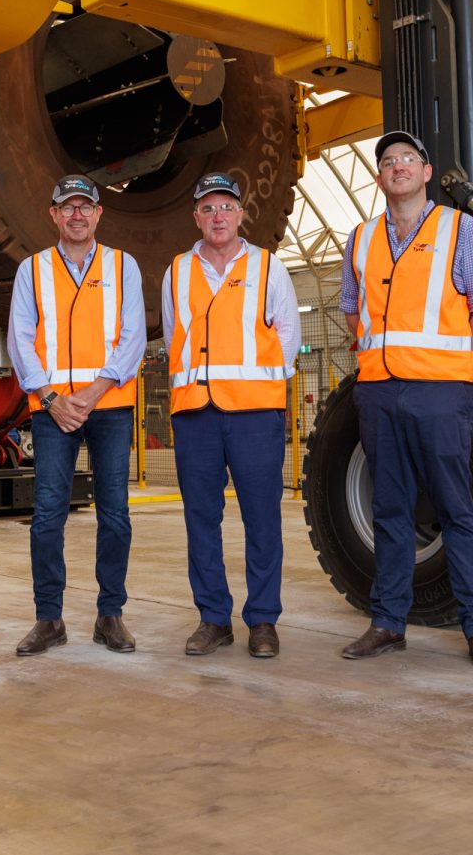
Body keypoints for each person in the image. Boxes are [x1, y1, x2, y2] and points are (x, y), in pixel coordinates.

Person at [338, 131, 473, 670]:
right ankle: (388, 622)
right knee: (390, 510)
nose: (397, 166)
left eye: (407, 158)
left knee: (456, 508)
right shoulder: (361, 238)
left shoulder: (462, 230)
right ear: (380, 176)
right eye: (387, 161)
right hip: (380, 393)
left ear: (427, 172)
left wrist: (461, 368)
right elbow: (350, 308)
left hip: (440, 393)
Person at [161, 172, 300, 658]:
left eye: (226, 207)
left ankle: (263, 621)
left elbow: (289, 336)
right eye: (208, 208)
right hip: (195, 413)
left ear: (241, 214)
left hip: (255, 415)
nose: (218, 216)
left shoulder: (268, 267)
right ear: (195, 217)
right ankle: (213, 618)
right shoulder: (176, 270)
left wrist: (262, 385)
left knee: (262, 520)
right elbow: (175, 338)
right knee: (202, 520)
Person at [7, 175, 146, 656]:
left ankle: (111, 615)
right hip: (52, 412)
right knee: (47, 517)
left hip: (108, 406)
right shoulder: (33, 270)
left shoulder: (123, 266)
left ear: (99, 213)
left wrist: (92, 391)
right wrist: (50, 398)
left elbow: (133, 337)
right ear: (53, 215)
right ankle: (49, 620)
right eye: (67, 207)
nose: (77, 215)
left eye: (85, 206)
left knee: (116, 516)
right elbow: (20, 338)